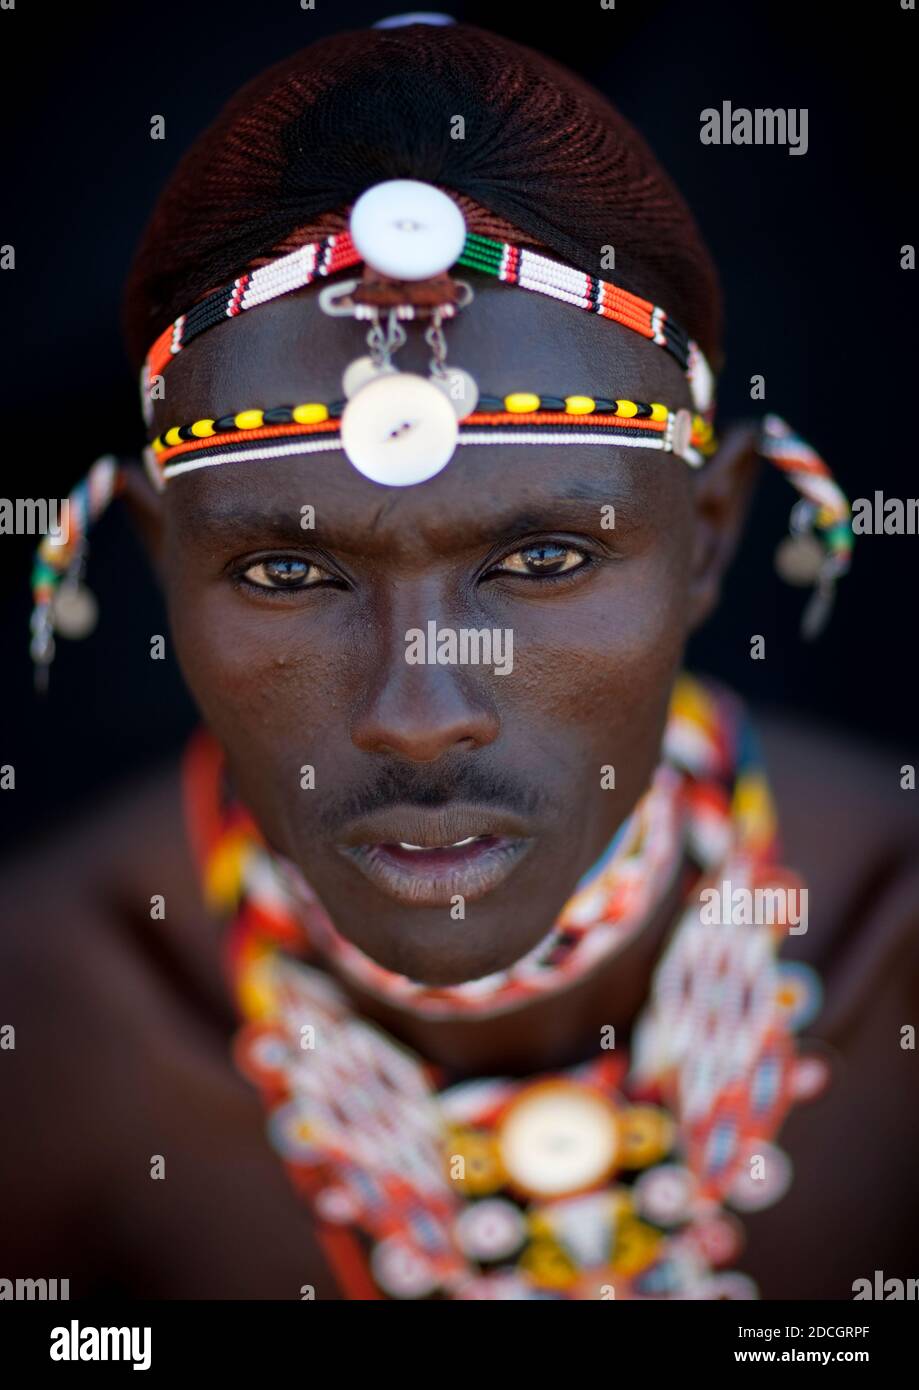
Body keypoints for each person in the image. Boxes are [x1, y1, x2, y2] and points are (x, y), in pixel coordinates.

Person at [2, 16, 918, 1302]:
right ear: (163, 563)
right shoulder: (45, 1037)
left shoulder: (897, 946)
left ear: (706, 537)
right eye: (284, 572)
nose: (418, 714)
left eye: (542, 561)